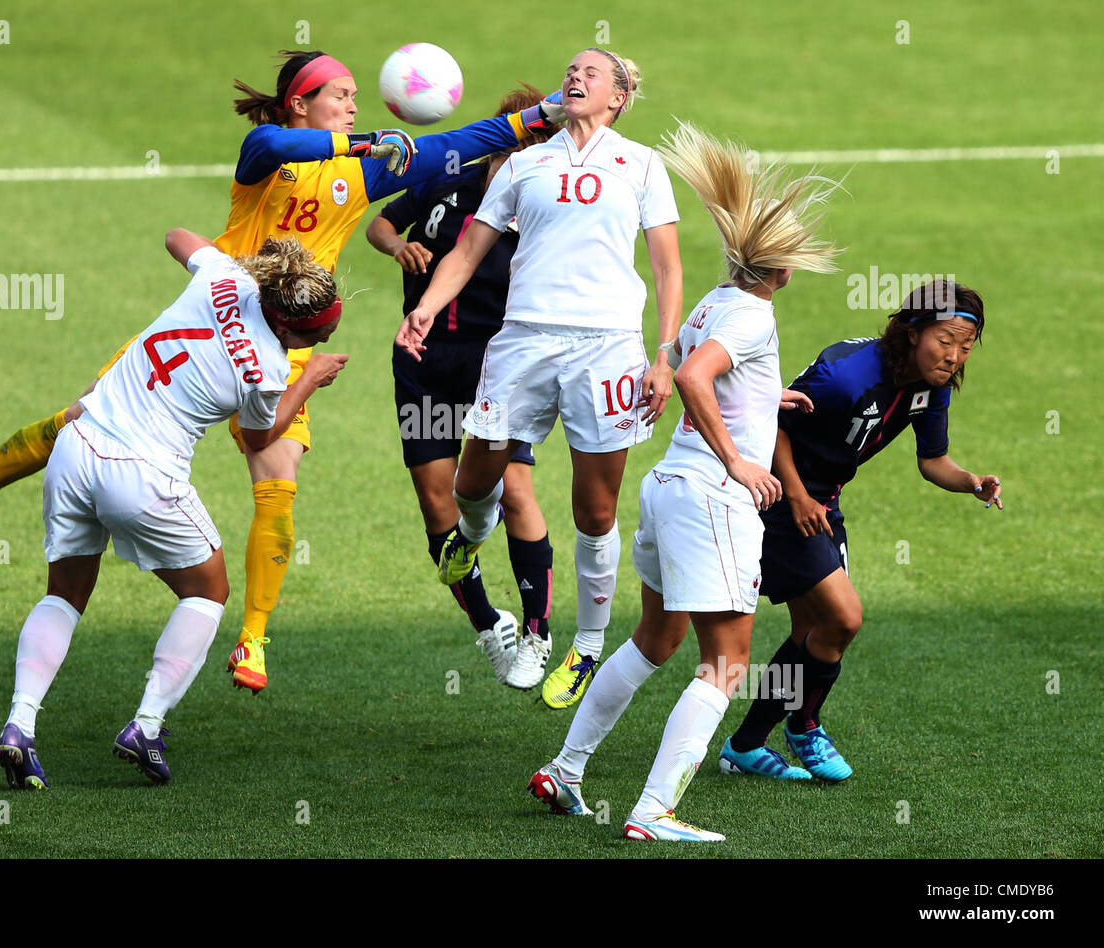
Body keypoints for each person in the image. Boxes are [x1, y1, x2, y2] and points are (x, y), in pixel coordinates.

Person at [0, 50, 565, 696]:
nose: (355, 107)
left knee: (278, 477)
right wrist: (355, 146)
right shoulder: (269, 152)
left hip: (284, 341)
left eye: (358, 98)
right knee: (77, 421)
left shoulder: (368, 168)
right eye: (341, 96)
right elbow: (272, 149)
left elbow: (465, 140)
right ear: (301, 104)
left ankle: (254, 639)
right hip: (205, 314)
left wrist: (542, 117)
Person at [527, 121, 842, 841]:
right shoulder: (755, 316)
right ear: (784, 269)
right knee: (727, 662)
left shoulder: (713, 301)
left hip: (667, 488)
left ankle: (566, 770)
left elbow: (701, 366)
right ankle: (652, 811)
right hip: (711, 498)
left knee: (653, 640)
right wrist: (739, 458)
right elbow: (698, 376)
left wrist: (767, 400)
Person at [0, 229, 348, 789]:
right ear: (287, 325)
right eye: (324, 325)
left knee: (63, 593)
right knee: (209, 591)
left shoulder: (225, 277)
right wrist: (309, 380)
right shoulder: (267, 367)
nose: (331, 327)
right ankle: (147, 726)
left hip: (78, 443)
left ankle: (20, 723)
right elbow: (259, 441)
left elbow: (175, 235)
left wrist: (232, 263)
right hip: (140, 474)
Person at [396, 49, 683, 701]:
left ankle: (584, 644)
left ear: (618, 97)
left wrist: (664, 353)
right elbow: (469, 248)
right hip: (524, 338)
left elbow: (667, 266)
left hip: (607, 346)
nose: (575, 76)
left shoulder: (641, 164)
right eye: (571, 70)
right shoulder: (526, 163)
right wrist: (426, 310)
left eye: (592, 72)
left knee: (596, 506)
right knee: (474, 481)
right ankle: (471, 536)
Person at [718, 279, 1001, 782]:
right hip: (779, 495)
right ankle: (803, 726)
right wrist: (798, 494)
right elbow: (771, 422)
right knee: (844, 619)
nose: (955, 355)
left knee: (815, 631)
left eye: (966, 346)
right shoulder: (847, 378)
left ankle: (745, 745)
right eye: (946, 340)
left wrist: (971, 482)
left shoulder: (930, 386)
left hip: (822, 502)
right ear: (913, 331)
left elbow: (933, 460)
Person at [366, 86, 558, 685]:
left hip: (497, 368)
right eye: (512, 144)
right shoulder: (446, 178)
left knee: (518, 489)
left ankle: (538, 634)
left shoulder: (541, 206)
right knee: (434, 500)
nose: (514, 159)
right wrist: (398, 244)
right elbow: (379, 222)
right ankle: (486, 625)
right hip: (423, 362)